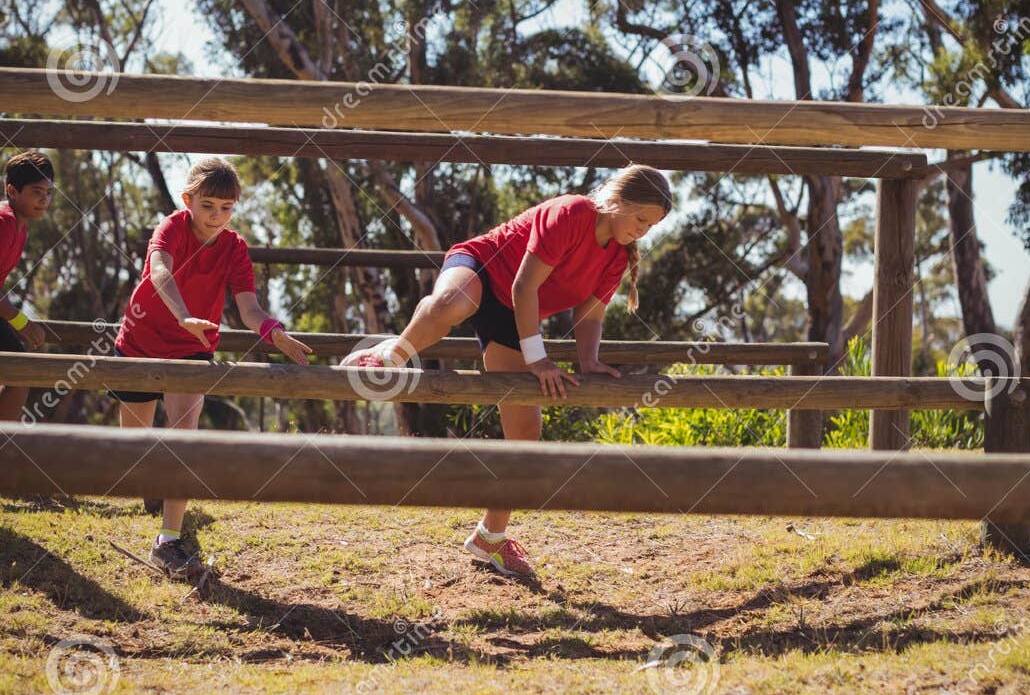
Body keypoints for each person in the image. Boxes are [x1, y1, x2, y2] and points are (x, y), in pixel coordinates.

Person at [342, 164, 672, 576]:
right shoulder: (571, 213)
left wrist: (588, 361)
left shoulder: (616, 257)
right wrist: (538, 359)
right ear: (616, 201)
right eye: (640, 218)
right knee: (451, 304)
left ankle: (489, 538)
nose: (643, 230)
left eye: (651, 225)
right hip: (481, 269)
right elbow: (523, 286)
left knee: (524, 435)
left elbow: (589, 316)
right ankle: (390, 356)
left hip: (513, 318)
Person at [112, 155, 312, 579]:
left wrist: (273, 332)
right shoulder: (170, 227)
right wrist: (182, 312)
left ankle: (168, 540)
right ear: (188, 200)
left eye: (226, 208)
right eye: (207, 206)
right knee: (136, 450)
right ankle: (153, 486)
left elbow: (249, 308)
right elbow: (160, 271)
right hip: (141, 341)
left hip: (192, 346)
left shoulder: (235, 248)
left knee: (185, 436)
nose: (216, 216)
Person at [0, 151, 54, 423]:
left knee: (19, 374)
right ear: (12, 190)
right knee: (19, 373)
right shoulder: (4, 222)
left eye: (48, 192)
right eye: (36, 191)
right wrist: (22, 323)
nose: (44, 199)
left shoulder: (20, 227)